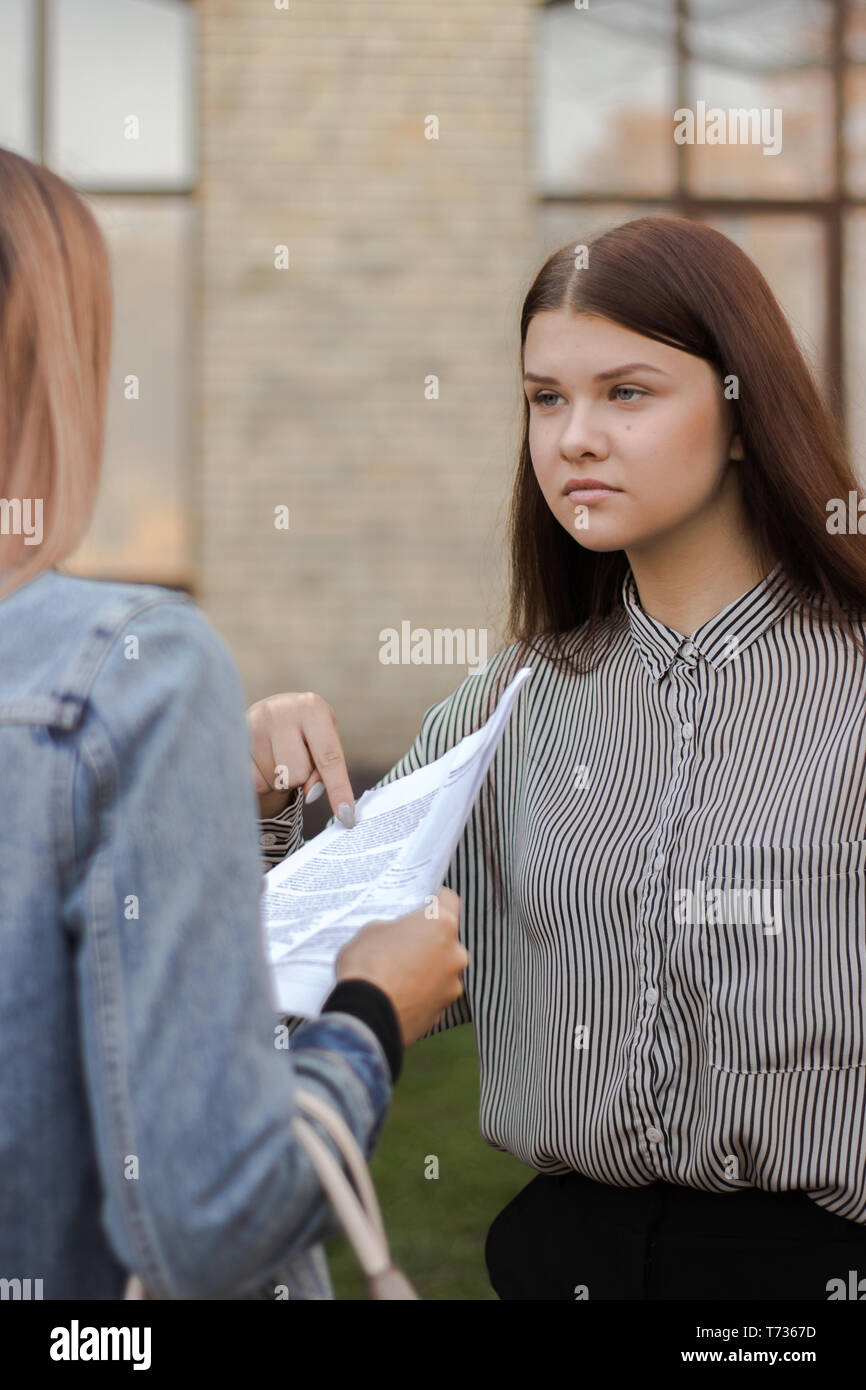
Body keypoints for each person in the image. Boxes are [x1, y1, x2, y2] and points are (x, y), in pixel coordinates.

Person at [251, 215, 866, 1300]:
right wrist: (265, 802)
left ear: (737, 415)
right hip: (561, 1267)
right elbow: (304, 975)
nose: (571, 437)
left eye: (625, 392)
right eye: (545, 398)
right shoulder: (509, 704)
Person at [0, 146, 468, 1301]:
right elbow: (207, 1218)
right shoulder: (128, 672)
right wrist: (372, 1007)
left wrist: (216, 818)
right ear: (53, 362)